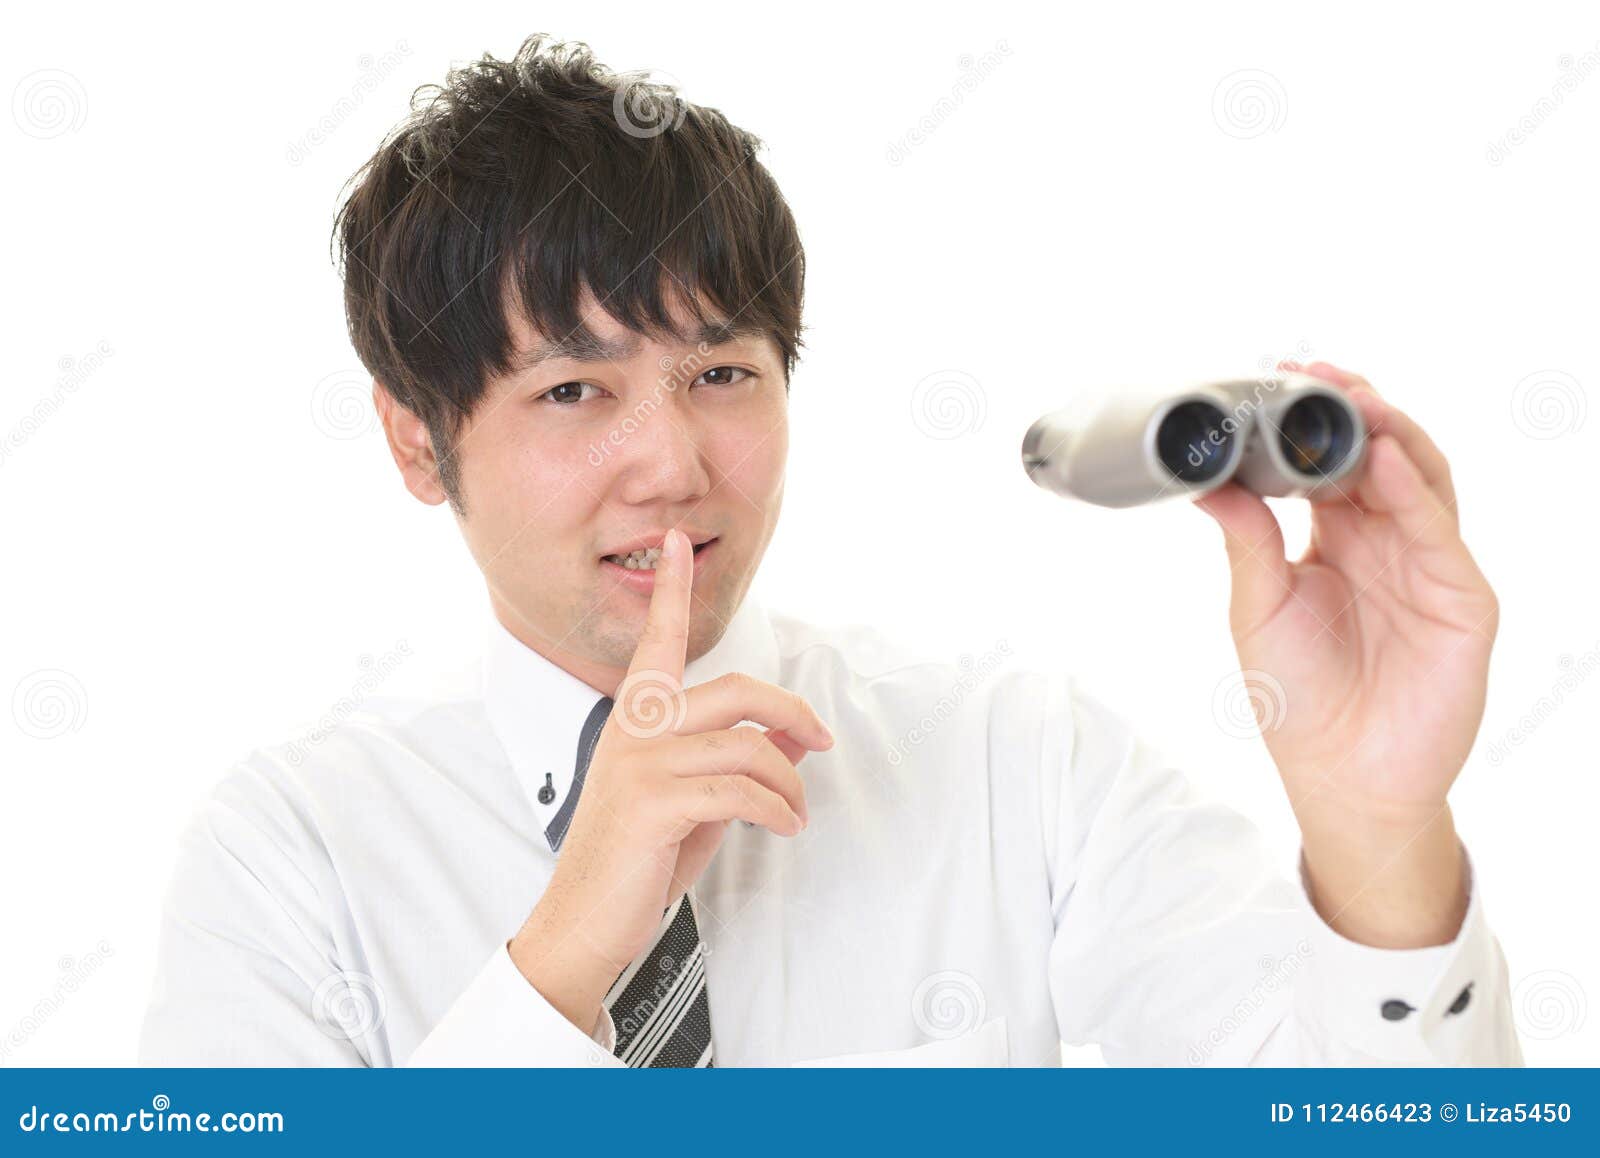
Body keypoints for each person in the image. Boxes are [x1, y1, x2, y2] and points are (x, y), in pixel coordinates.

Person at [139, 33, 1521, 1067]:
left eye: (724, 374)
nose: (674, 464)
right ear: (414, 438)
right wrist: (564, 962)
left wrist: (1382, 831)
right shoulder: (289, 853)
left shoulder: (1010, 759)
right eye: (574, 390)